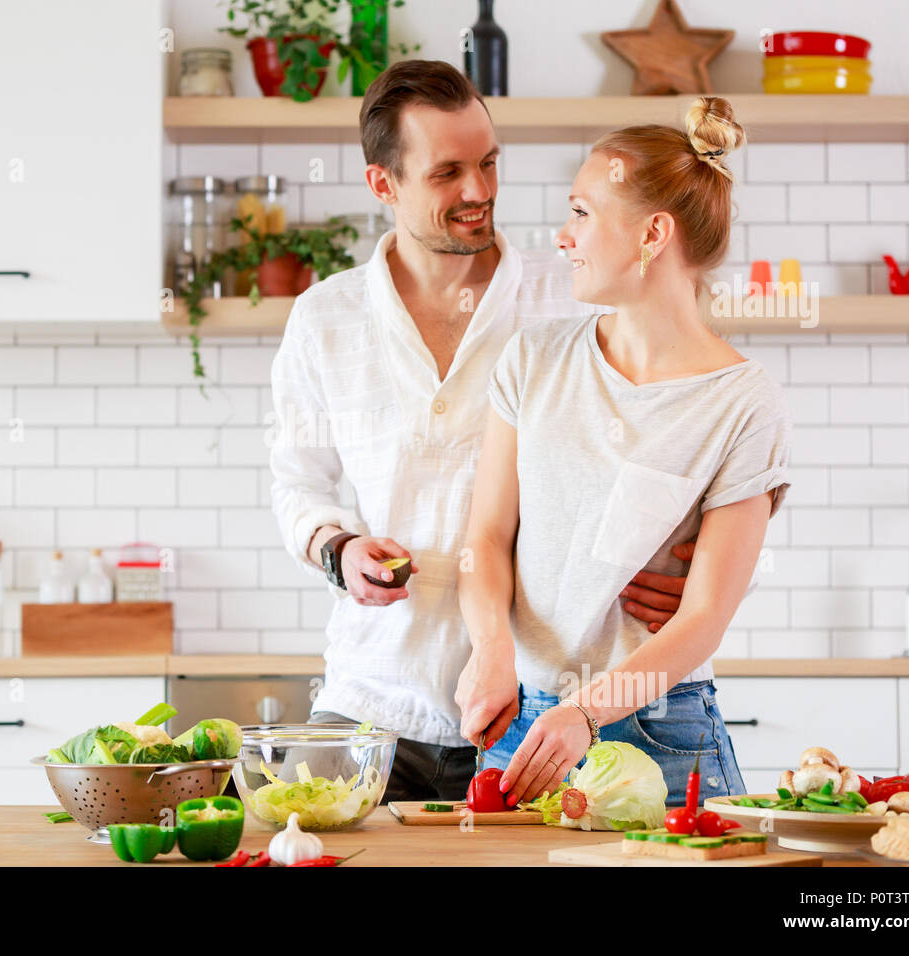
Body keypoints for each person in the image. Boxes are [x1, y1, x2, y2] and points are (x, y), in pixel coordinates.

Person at [268, 60, 697, 803]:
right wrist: (338, 549)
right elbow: (296, 482)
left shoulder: (571, 299)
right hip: (375, 697)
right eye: (447, 173)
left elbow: (688, 433)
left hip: (535, 704)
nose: (479, 191)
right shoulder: (324, 320)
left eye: (489, 163)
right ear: (383, 185)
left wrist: (695, 564)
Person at [456, 96, 792, 808]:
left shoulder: (741, 401)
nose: (562, 235)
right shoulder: (533, 359)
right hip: (529, 726)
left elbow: (704, 615)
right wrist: (490, 649)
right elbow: (486, 537)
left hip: (666, 736)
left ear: (652, 234)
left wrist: (588, 711)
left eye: (581, 212)